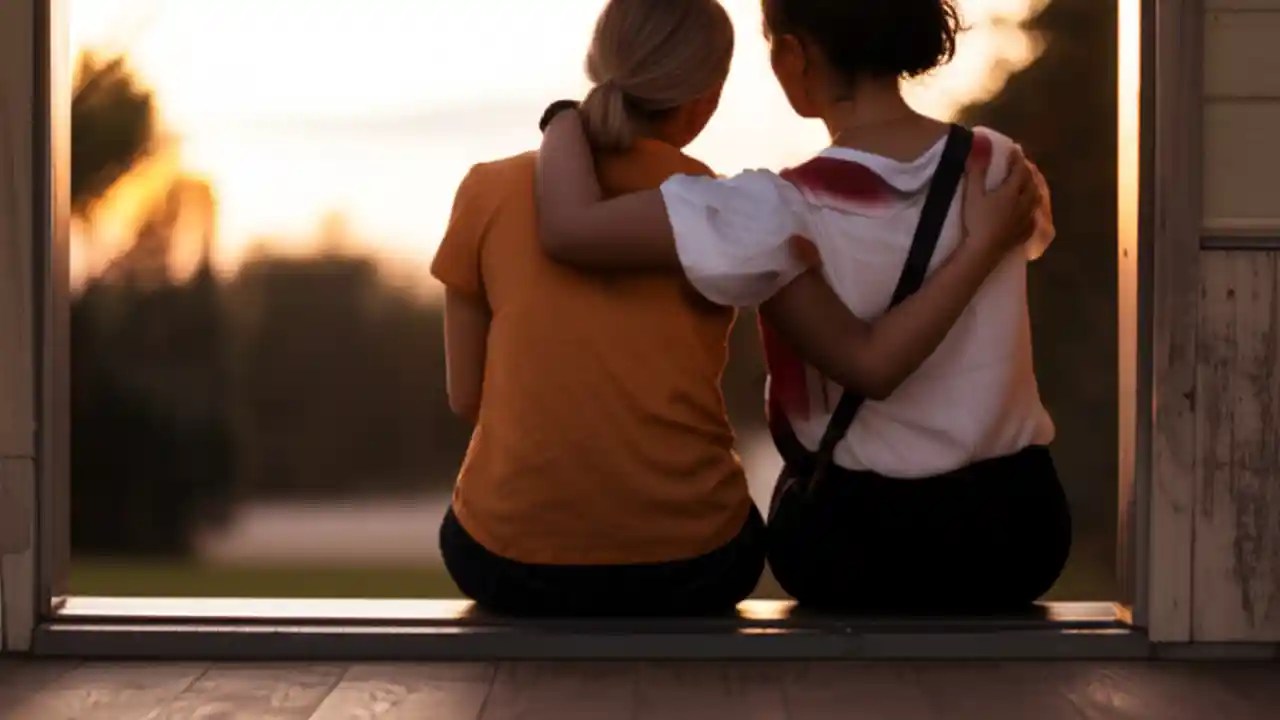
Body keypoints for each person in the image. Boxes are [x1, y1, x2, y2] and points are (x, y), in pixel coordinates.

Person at [434, 0, 1042, 616]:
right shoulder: (1000, 167)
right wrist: (980, 244)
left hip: (855, 547)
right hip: (1019, 536)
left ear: (790, 55)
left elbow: (564, 239)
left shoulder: (760, 210)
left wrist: (564, 118)